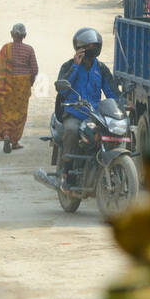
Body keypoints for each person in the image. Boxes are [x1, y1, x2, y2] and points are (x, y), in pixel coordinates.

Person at [55, 27, 120, 187]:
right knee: (71, 130)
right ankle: (66, 172)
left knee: (113, 132)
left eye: (93, 46)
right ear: (78, 48)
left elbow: (112, 91)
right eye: (86, 46)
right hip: (74, 113)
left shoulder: (102, 69)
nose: (90, 50)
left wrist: (122, 104)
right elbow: (61, 88)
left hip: (95, 116)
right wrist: (76, 66)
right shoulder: (68, 65)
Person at [0, 23, 39, 153]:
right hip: (22, 86)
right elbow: (35, 70)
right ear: (24, 36)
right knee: (20, 113)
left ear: (11, 34)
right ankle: (14, 142)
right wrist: (29, 83)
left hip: (6, 85)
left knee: (6, 112)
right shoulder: (29, 49)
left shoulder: (5, 49)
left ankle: (7, 135)